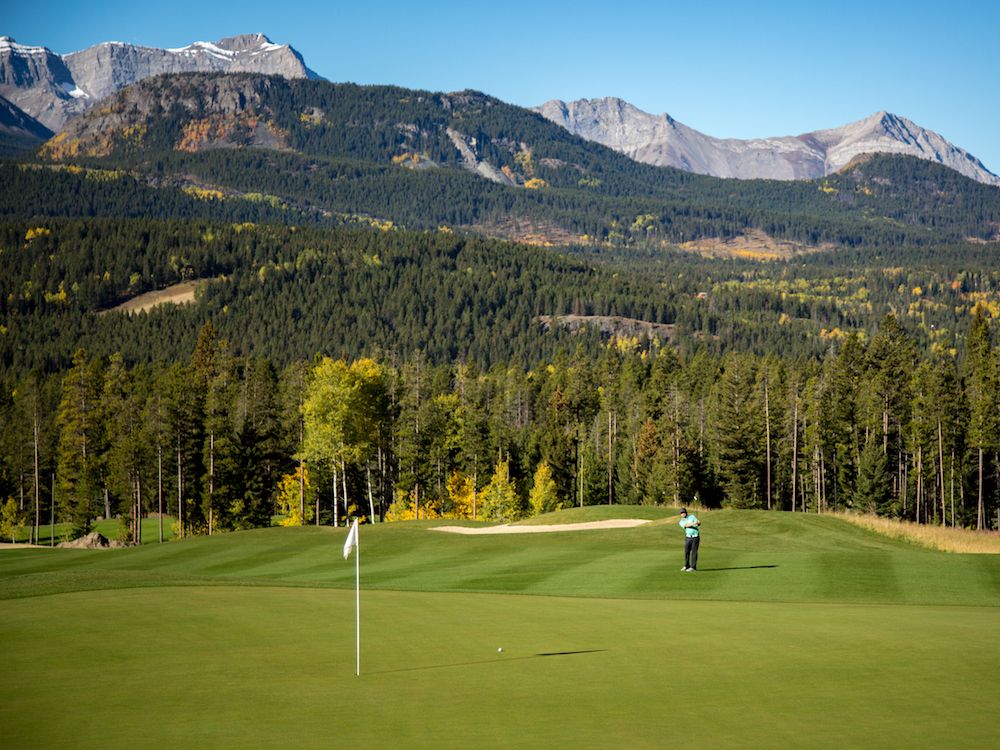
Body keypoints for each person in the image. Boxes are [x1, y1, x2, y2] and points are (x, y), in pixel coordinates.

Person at [678, 507, 700, 572]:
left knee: (694, 552)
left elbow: (699, 523)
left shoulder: (692, 516)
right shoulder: (681, 521)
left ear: (686, 512)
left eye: (683, 512)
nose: (682, 514)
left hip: (695, 537)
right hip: (688, 537)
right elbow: (686, 525)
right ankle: (686, 565)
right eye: (681, 513)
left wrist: (698, 522)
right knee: (687, 552)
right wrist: (694, 523)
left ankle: (693, 567)